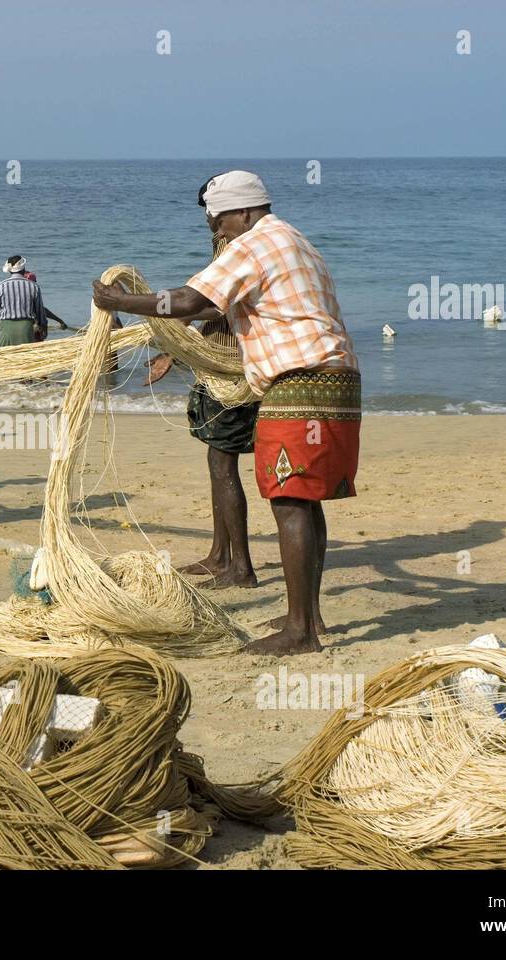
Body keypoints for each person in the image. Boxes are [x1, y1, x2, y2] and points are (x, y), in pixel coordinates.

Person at [91, 170, 360, 655]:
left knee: (289, 500)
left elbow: (192, 300)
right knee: (306, 499)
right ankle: (310, 618)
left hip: (298, 381)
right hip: (338, 378)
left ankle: (299, 633)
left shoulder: (255, 244)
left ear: (240, 211)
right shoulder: (295, 239)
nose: (217, 233)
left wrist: (120, 301)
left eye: (218, 222)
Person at [145, 203, 259, 589]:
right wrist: (172, 347)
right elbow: (202, 300)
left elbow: (206, 304)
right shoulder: (230, 244)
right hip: (219, 368)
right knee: (218, 459)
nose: (209, 220)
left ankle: (239, 566)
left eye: (212, 212)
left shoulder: (237, 248)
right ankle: (219, 555)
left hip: (233, 371)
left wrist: (170, 348)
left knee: (222, 462)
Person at [0, 255, 50, 346]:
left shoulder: (1, 286)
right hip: (26, 329)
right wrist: (43, 327)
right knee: (26, 357)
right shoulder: (33, 286)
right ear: (23, 269)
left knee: (5, 356)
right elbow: (40, 312)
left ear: (9, 270)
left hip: (7, 329)